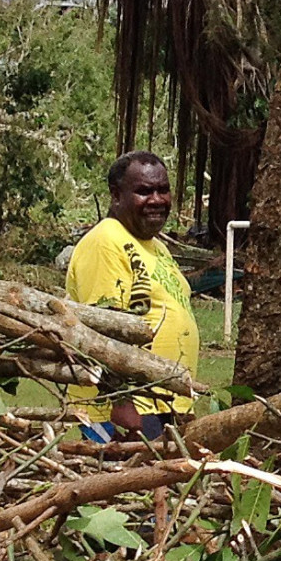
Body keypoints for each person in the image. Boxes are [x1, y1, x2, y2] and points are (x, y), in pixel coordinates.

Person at [65, 151, 199, 443]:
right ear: (116, 195)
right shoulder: (106, 241)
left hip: (161, 403)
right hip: (122, 412)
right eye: (144, 191)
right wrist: (123, 408)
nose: (157, 199)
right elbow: (102, 331)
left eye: (163, 190)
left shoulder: (156, 248)